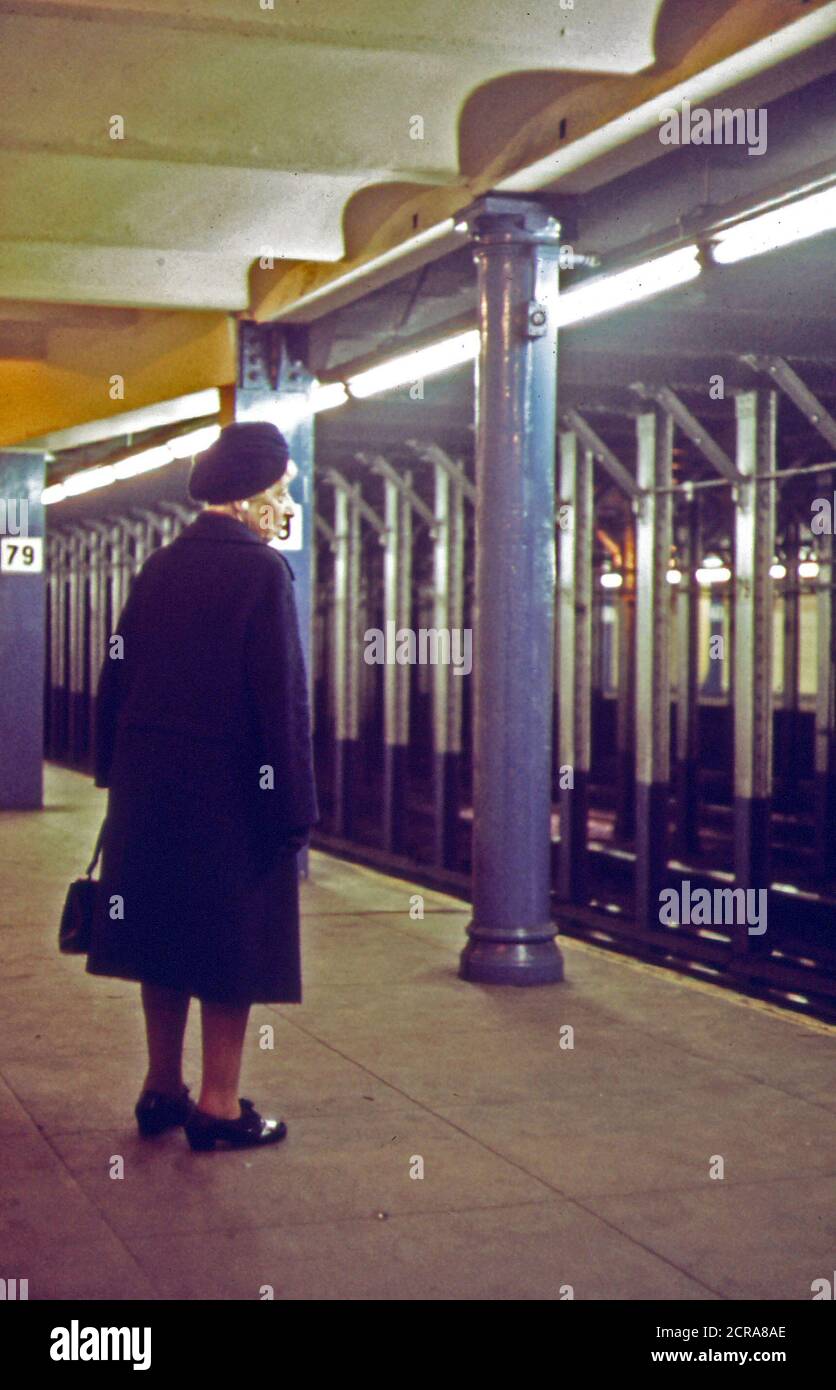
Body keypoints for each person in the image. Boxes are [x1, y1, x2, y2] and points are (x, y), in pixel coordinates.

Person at [87, 421, 319, 1153]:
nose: (286, 499)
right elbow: (281, 699)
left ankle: (162, 1089)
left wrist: (113, 775)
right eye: (281, 487)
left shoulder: (161, 566)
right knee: (231, 946)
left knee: (161, 936)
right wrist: (293, 805)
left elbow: (115, 674)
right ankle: (218, 1108)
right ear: (252, 493)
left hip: (152, 793)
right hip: (232, 799)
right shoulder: (261, 571)